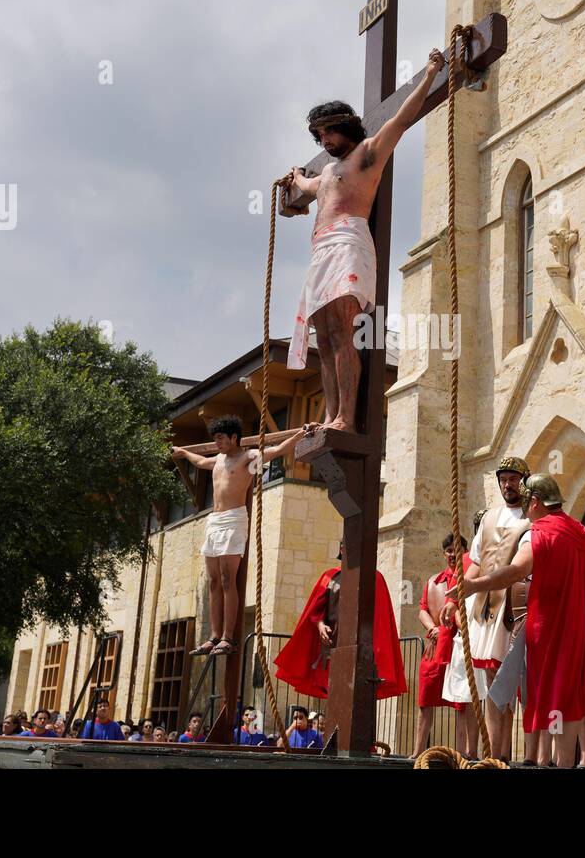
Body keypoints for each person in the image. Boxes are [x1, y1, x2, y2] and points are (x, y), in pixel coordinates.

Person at [283, 48, 446, 432]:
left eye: (329, 131)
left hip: (348, 243)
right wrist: (293, 179)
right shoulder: (325, 174)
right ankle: (329, 414)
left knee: (342, 330)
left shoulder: (368, 153)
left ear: (347, 126)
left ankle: (346, 418)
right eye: (318, 134)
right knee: (322, 339)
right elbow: (304, 185)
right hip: (320, 252)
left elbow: (403, 118)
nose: (324, 140)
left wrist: (430, 74)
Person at [458, 474, 585, 769]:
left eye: (528, 504)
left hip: (549, 627)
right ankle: (563, 763)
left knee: (550, 696)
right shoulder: (579, 531)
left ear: (536, 502)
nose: (525, 511)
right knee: (567, 699)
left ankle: (552, 762)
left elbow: (516, 570)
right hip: (580, 628)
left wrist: (475, 585)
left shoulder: (537, 533)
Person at [173, 417, 313, 658]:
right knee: (214, 582)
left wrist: (302, 433)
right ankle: (214, 636)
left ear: (233, 438)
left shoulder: (247, 458)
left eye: (220, 439)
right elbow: (199, 461)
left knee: (228, 579)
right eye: (215, 439)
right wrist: (184, 452)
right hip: (214, 521)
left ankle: (228, 637)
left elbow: (277, 451)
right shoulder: (218, 460)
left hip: (234, 519)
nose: (217, 443)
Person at [443, 456, 531, 762]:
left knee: (511, 676)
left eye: (514, 478)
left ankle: (506, 750)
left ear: (525, 481)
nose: (508, 484)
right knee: (493, 676)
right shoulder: (491, 517)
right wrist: (458, 593)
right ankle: (495, 751)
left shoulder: (532, 518)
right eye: (504, 479)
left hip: (516, 604)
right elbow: (477, 563)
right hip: (485, 604)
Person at [274, 540, 407, 701]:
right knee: (335, 696)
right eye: (346, 547)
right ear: (341, 549)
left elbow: (380, 620)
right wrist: (320, 625)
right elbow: (316, 609)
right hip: (334, 646)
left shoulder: (374, 577)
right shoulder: (329, 576)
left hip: (363, 649)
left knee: (358, 697)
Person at [412, 534, 473, 758]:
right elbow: (422, 609)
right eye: (448, 550)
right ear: (443, 553)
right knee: (425, 700)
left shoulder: (470, 578)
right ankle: (417, 752)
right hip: (435, 648)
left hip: (458, 647)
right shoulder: (433, 581)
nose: (452, 554)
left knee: (461, 702)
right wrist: (433, 628)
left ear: (465, 551)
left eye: (457, 549)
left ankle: (461, 754)